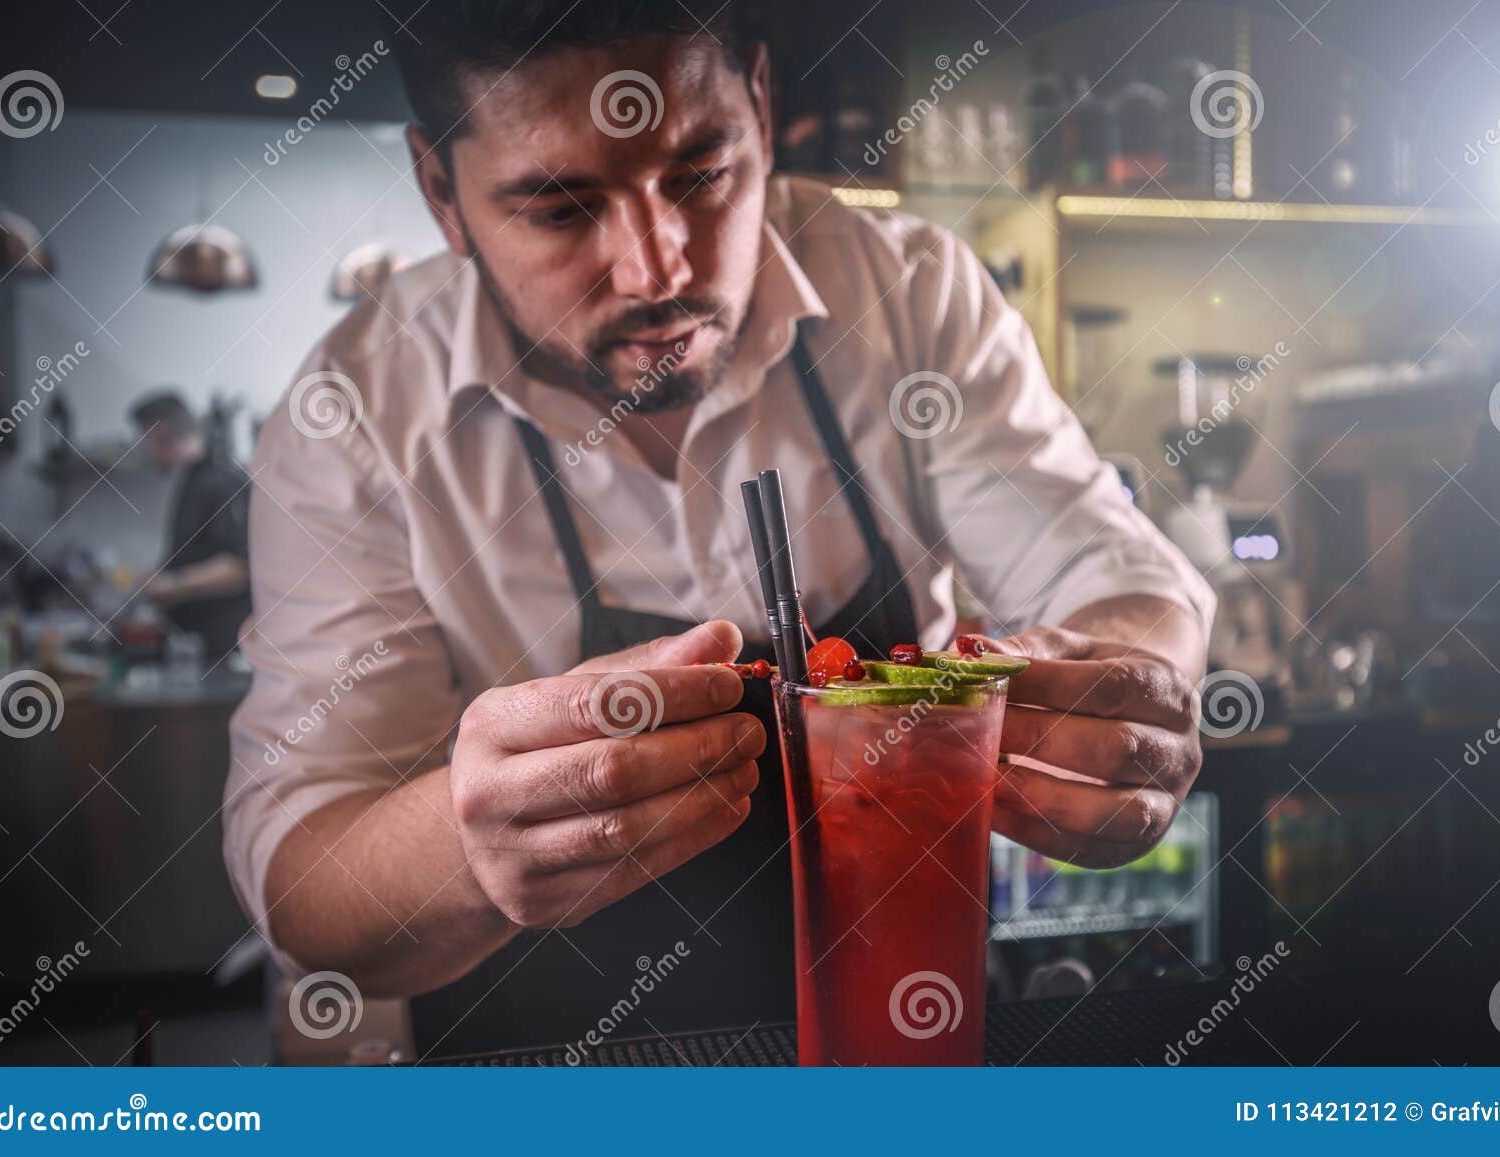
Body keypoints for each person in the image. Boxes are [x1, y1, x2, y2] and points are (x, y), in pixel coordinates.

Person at [224, 1, 1217, 1057]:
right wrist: (468, 845)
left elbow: (1112, 573)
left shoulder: (908, 292)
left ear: (761, 101)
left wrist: (1118, 689)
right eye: (561, 209)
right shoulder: (361, 411)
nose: (658, 270)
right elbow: (306, 889)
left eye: (701, 176)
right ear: (442, 195)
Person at [129, 391, 250, 660]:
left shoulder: (221, 482)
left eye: (143, 440)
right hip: (199, 645)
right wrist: (159, 576)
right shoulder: (191, 482)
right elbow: (194, 553)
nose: (143, 451)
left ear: (159, 434)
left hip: (225, 648)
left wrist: (171, 584)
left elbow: (240, 568)